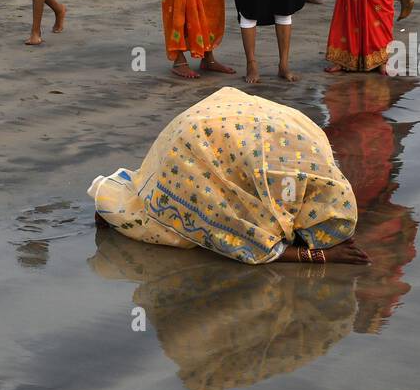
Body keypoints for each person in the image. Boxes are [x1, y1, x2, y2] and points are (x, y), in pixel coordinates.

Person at [89, 86, 368, 265]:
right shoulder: (289, 177)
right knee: (205, 224)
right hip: (195, 148)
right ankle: (114, 210)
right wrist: (318, 254)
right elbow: (245, 242)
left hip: (211, 122)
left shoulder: (315, 153)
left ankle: (130, 196)